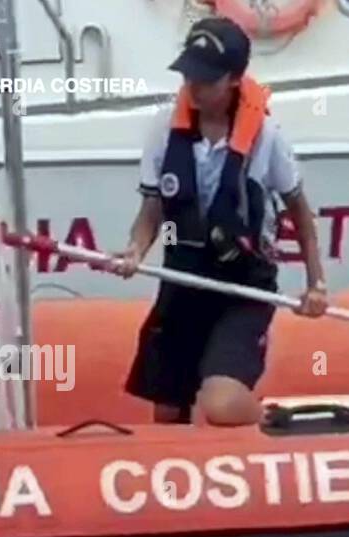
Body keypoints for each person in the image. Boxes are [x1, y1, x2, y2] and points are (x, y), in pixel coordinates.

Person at [114, 17, 329, 428]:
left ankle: (266, 423)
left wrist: (316, 284)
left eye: (206, 80)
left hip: (243, 287)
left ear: (233, 79)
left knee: (220, 403)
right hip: (184, 280)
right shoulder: (164, 130)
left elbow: (300, 213)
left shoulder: (267, 137)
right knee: (167, 411)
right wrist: (136, 250)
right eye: (189, 76)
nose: (193, 87)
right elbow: (152, 211)